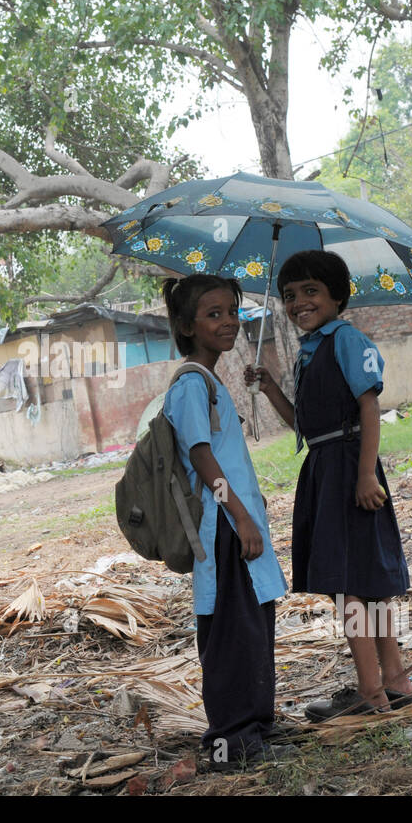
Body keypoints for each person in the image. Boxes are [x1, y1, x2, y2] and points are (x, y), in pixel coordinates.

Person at [244, 250, 412, 721]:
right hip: (323, 465)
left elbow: (368, 407)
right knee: (364, 580)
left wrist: (364, 474)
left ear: (338, 296)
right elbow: (305, 424)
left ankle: (370, 690)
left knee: (348, 584)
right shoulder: (311, 349)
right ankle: (395, 681)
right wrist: (272, 387)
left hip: (348, 466)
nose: (299, 302)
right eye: (289, 295)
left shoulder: (345, 339)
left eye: (311, 291)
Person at [162, 273, 290, 769]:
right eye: (214, 314)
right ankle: (227, 743)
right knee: (231, 636)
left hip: (237, 525)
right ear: (187, 325)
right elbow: (201, 459)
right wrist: (239, 515)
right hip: (221, 530)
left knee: (252, 627)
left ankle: (256, 729)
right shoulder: (192, 383)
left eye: (232, 312)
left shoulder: (211, 379)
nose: (228, 322)